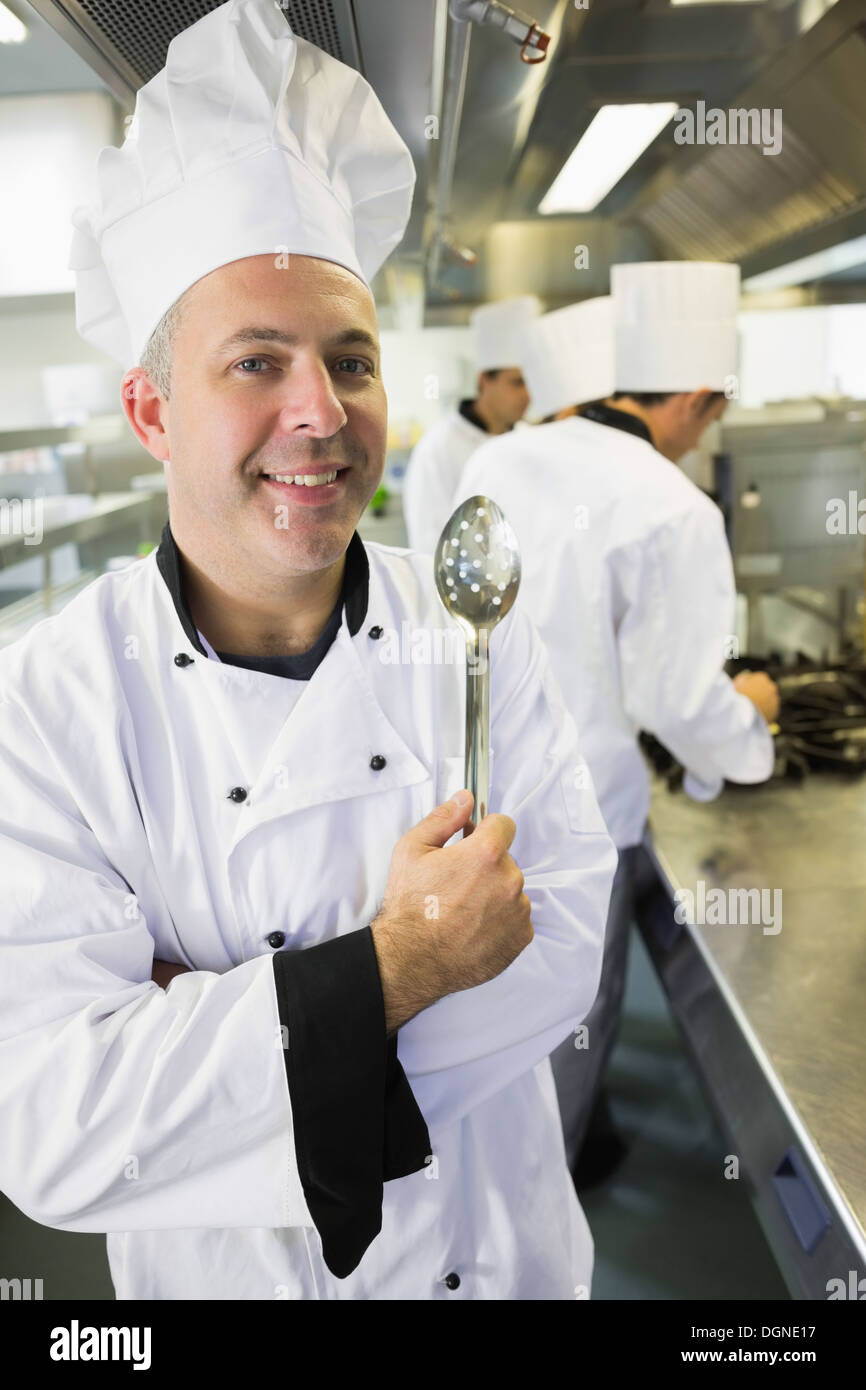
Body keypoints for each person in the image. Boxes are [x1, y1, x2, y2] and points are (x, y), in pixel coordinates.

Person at [0, 0, 617, 1300]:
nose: (320, 411)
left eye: (350, 357)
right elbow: (49, 1124)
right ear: (152, 409)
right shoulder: (46, 702)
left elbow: (559, 950)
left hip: (493, 1265)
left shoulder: (477, 628)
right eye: (255, 361)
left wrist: (203, 1016)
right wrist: (404, 961)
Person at [452, 274, 779, 1181]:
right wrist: (751, 722)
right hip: (589, 811)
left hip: (480, 796)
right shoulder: (675, 507)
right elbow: (676, 701)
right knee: (574, 1016)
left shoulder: (501, 460)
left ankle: (517, 1182)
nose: (700, 436)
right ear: (690, 398)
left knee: (495, 1020)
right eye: (708, 415)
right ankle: (544, 1214)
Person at [401, 296, 537, 554]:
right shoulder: (439, 448)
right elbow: (429, 543)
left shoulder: (530, 439)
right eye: (517, 383)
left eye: (531, 382)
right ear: (485, 379)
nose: (528, 395)